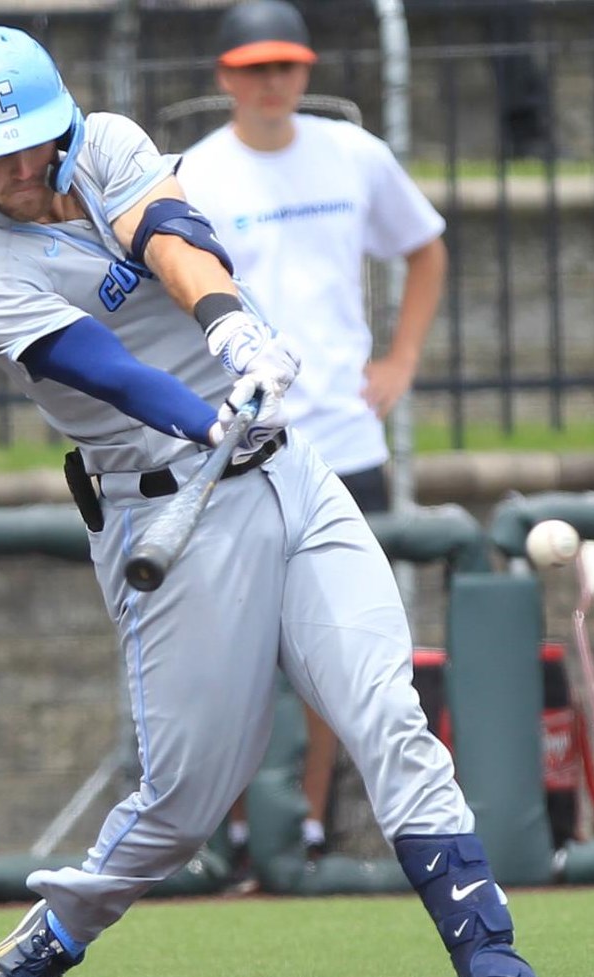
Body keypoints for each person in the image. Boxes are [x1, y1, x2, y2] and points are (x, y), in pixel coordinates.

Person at [0, 25, 546, 977]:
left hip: (292, 473)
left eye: (34, 143)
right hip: (167, 501)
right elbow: (103, 368)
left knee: (381, 708)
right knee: (181, 803)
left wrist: (230, 327)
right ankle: (58, 928)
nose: (21, 168)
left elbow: (165, 234)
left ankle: (492, 959)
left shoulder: (109, 145)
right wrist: (203, 411)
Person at [177, 0, 450, 876]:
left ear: (306, 71)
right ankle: (241, 828)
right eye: (254, 67)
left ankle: (312, 827)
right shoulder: (195, 174)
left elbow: (426, 246)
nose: (272, 82)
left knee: (343, 648)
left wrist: (400, 360)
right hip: (244, 444)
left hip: (345, 441)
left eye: (286, 66)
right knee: (240, 650)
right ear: (225, 77)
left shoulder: (353, 154)